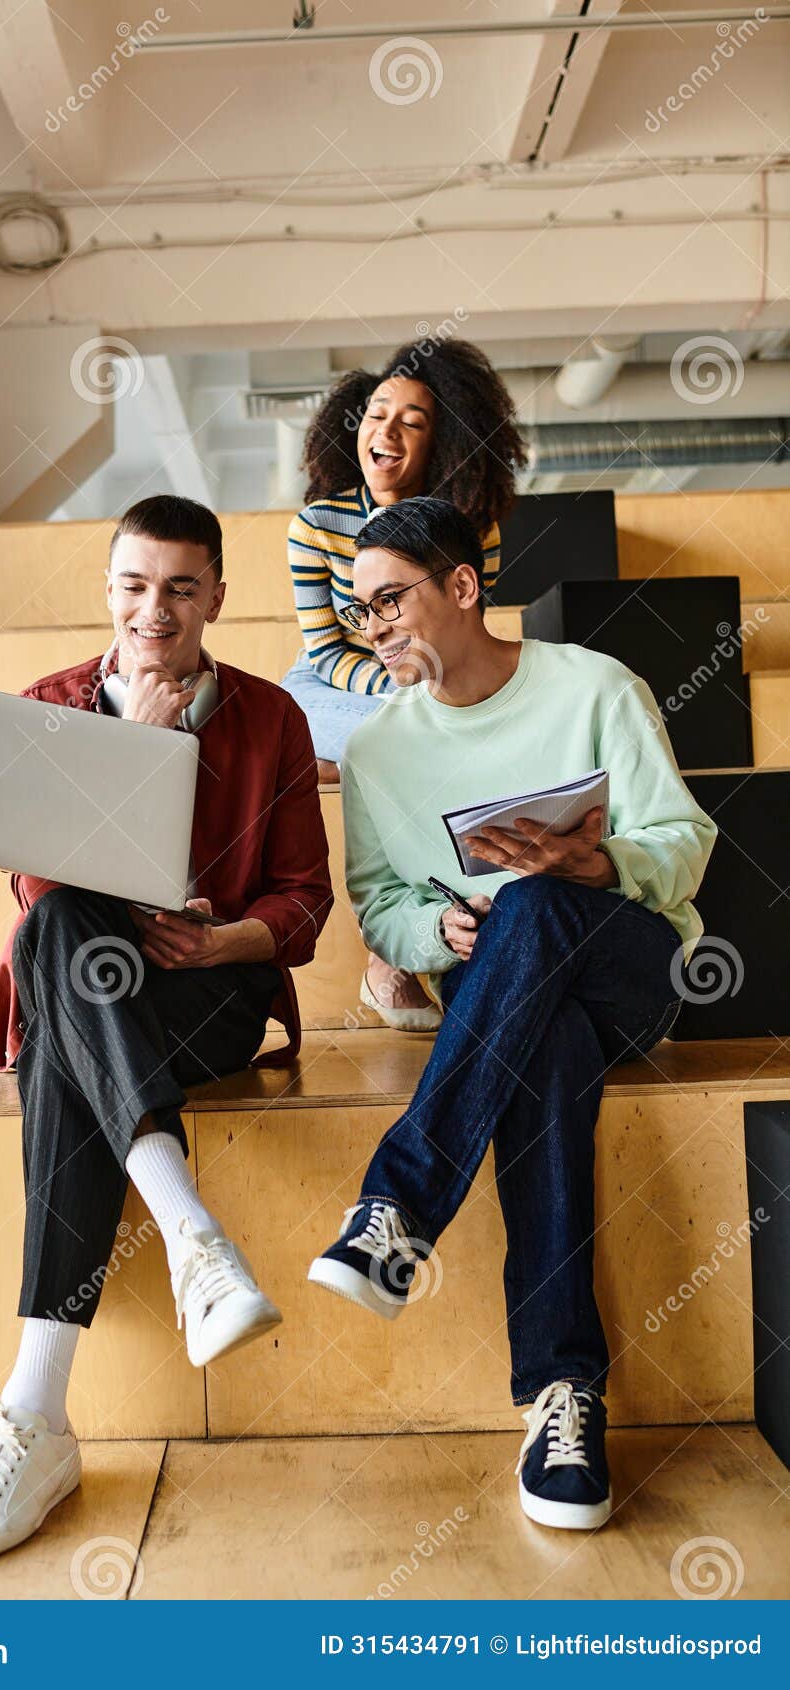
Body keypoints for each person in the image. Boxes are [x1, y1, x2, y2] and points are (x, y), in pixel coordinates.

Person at [0, 495, 333, 1568]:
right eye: (137, 584)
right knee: (57, 929)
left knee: (60, 997)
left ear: (217, 599)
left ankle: (34, 1428)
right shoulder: (46, 707)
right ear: (109, 590)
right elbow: (35, 880)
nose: (157, 608)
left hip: (210, 999)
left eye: (182, 586)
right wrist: (131, 748)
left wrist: (223, 937)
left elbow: (301, 902)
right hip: (87, 988)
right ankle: (175, 1251)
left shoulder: (272, 716)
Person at [306, 496, 716, 1532]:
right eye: (360, 612)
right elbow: (383, 902)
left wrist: (597, 859)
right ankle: (562, 1393)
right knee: (545, 1041)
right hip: (506, 997)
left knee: (534, 902)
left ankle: (397, 1210)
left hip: (630, 962)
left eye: (391, 599)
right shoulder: (378, 751)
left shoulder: (592, 686)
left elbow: (685, 838)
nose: (378, 627)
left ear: (462, 586)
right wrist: (429, 935)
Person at [280, 335, 526, 1031]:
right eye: (375, 413)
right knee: (400, 740)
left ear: (442, 444)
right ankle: (388, 957)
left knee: (468, 737)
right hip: (336, 684)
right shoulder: (316, 524)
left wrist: (429, 691)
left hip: (434, 676)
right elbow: (326, 652)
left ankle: (483, 935)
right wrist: (404, 694)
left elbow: (465, 636)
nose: (384, 430)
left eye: (411, 421)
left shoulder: (473, 529)